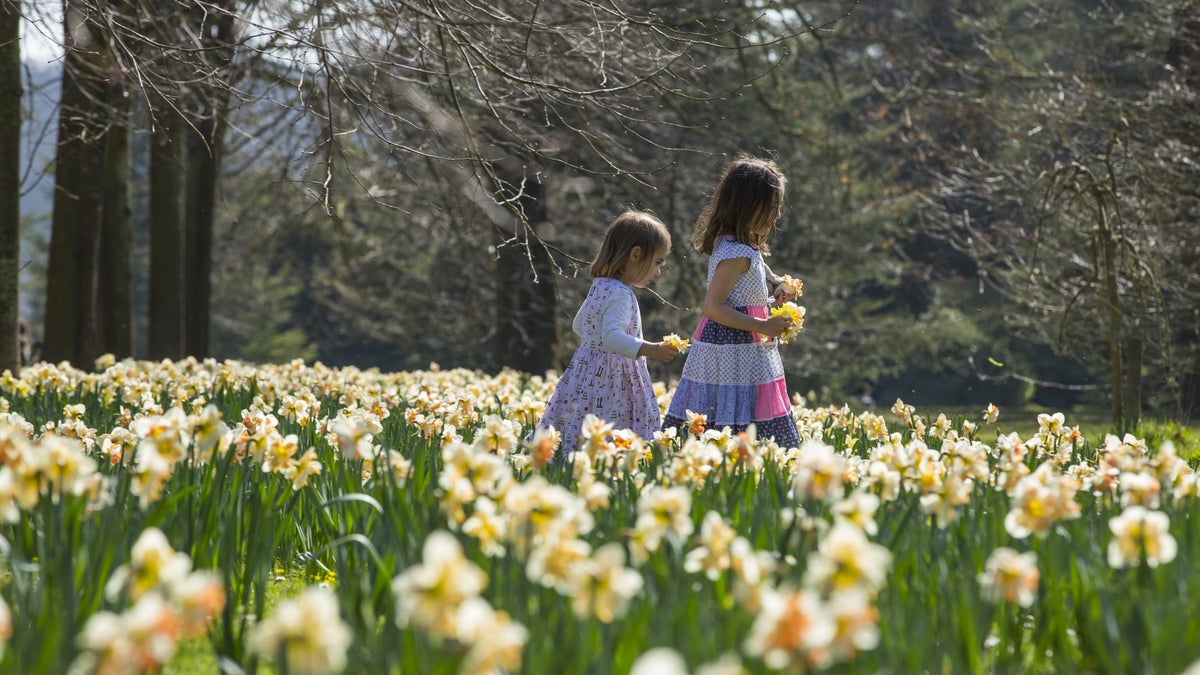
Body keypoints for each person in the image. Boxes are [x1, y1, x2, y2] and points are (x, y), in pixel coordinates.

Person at [662, 156, 802, 449]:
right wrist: (764, 325)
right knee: (730, 414)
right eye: (772, 207)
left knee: (740, 408)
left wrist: (777, 286)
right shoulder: (736, 253)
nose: (777, 215)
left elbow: (756, 280)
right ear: (749, 205)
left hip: (744, 347)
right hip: (731, 348)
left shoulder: (743, 247)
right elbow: (713, 308)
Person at [536, 210, 680, 455]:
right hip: (614, 376)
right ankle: (611, 461)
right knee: (615, 428)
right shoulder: (621, 294)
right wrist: (650, 348)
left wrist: (593, 349)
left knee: (583, 420)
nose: (658, 272)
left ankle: (569, 457)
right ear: (636, 254)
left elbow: (579, 325)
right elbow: (611, 337)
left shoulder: (600, 285)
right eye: (657, 262)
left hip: (585, 369)